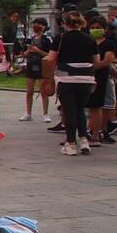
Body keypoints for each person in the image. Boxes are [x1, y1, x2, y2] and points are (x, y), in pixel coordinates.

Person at [49, 11, 99, 155]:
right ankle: (84, 139)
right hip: (86, 79)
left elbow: (51, 59)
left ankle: (71, 143)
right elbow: (96, 61)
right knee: (80, 110)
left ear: (64, 24)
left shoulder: (61, 38)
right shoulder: (90, 39)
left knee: (68, 110)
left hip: (66, 78)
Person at [86, 16, 117, 146]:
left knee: (100, 105)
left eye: (98, 28)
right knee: (91, 107)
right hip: (88, 77)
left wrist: (89, 67)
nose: (95, 30)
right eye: (92, 28)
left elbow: (107, 60)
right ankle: (90, 130)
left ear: (105, 29)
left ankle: (98, 131)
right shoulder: (88, 41)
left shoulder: (109, 44)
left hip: (102, 76)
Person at [19, 18, 54, 121]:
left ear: (44, 26)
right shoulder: (30, 38)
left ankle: (45, 114)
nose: (36, 26)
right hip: (31, 65)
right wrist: (27, 52)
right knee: (29, 91)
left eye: (39, 24)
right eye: (35, 24)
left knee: (43, 91)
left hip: (42, 66)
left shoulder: (47, 39)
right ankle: (28, 113)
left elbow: (50, 54)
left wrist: (38, 51)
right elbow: (23, 53)